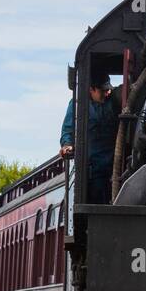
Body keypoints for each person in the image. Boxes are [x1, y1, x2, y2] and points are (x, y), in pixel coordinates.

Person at [59, 75, 121, 204]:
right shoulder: (78, 105)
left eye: (107, 89)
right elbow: (68, 130)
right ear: (91, 89)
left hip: (115, 169)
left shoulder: (112, 101)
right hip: (94, 171)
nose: (106, 92)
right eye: (102, 90)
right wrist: (67, 145)